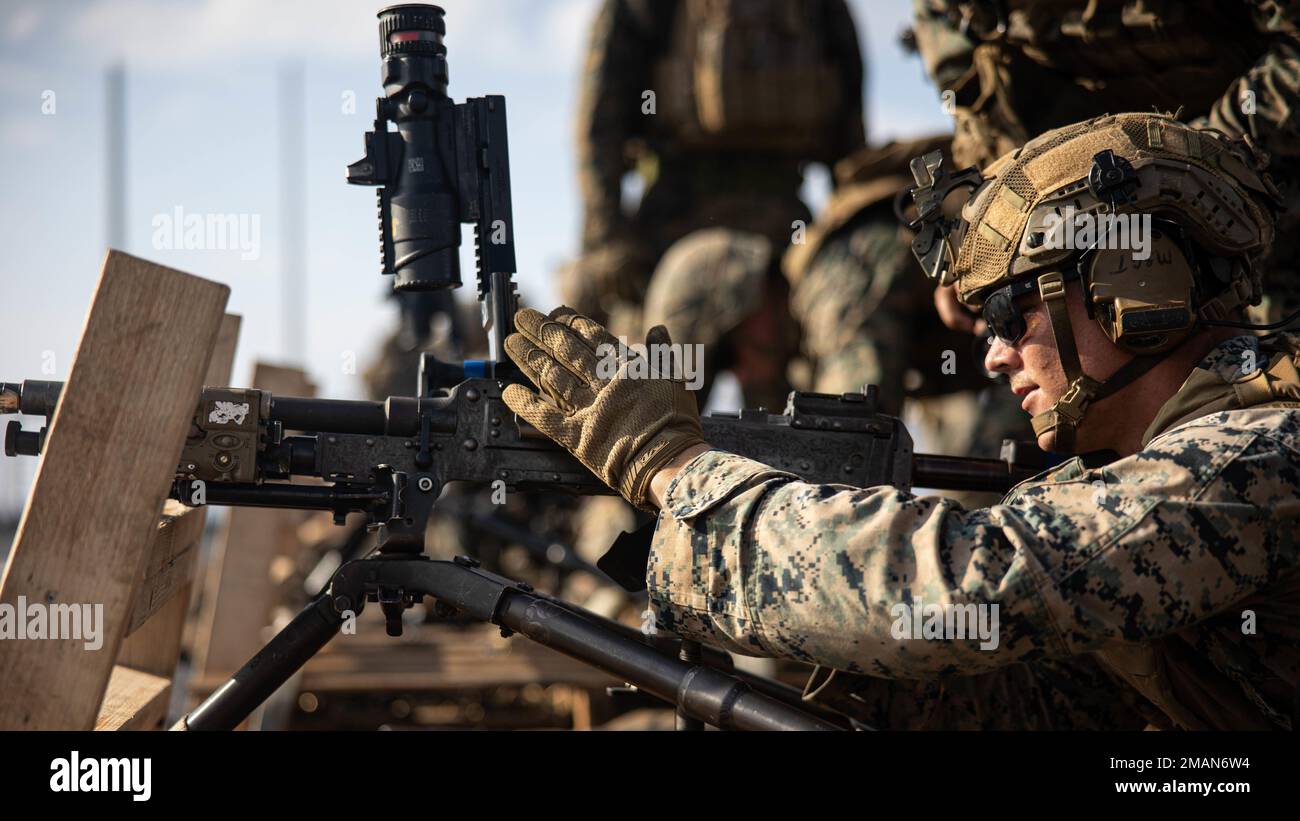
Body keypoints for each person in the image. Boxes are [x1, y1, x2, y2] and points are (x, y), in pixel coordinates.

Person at [502, 114, 1300, 730]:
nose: (990, 356)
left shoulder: (1254, 456)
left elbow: (966, 585)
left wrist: (675, 470)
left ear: (1131, 284)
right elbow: (1039, 704)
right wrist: (835, 652)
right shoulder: (1171, 451)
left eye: (1005, 311)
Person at [906, 0, 1300, 332]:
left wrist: (1188, 158)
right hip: (1101, 226)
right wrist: (983, 242)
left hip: (1272, 186)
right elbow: (982, 103)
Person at [562, 0, 865, 333]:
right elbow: (851, 143)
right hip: (771, 228)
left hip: (689, 229)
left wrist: (606, 239)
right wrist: (607, 241)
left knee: (651, 370)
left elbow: (598, 127)